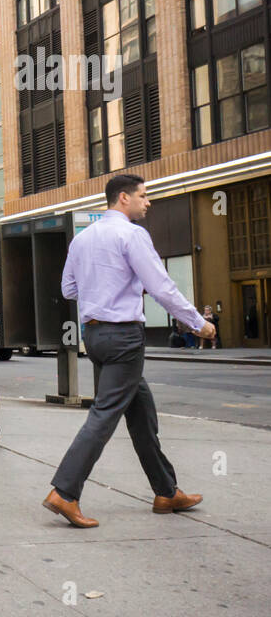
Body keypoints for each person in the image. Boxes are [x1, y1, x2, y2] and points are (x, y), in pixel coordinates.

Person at [43, 174, 214, 528]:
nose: (147, 202)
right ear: (123, 198)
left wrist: (101, 290)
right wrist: (197, 323)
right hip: (123, 337)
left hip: (95, 337)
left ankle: (166, 491)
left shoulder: (82, 238)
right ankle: (64, 491)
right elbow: (161, 287)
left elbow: (69, 289)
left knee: (141, 414)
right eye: (143, 195)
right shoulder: (132, 235)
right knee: (104, 414)